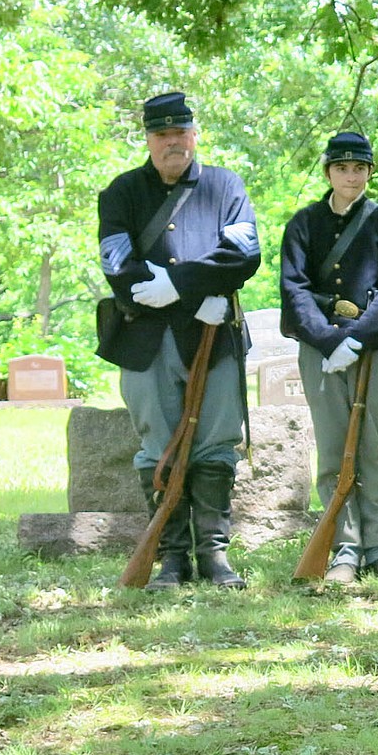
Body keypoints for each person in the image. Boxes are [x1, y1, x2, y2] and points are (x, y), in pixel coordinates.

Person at [98, 91, 261, 589]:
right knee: (158, 448)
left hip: (214, 334)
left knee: (215, 445)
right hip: (146, 338)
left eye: (181, 133)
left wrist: (180, 283)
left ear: (195, 135)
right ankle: (172, 558)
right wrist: (186, 290)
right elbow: (117, 264)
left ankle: (214, 557)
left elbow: (243, 255)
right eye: (162, 134)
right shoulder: (121, 193)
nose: (173, 142)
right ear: (149, 140)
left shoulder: (225, 186)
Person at [280, 132, 378, 584]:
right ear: (328, 172)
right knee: (335, 447)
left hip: (370, 347)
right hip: (320, 349)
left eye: (359, 169)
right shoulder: (303, 223)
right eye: (342, 169)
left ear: (369, 173)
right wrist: (326, 340)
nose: (351, 176)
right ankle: (343, 546)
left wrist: (357, 337)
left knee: (372, 446)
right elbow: (293, 288)